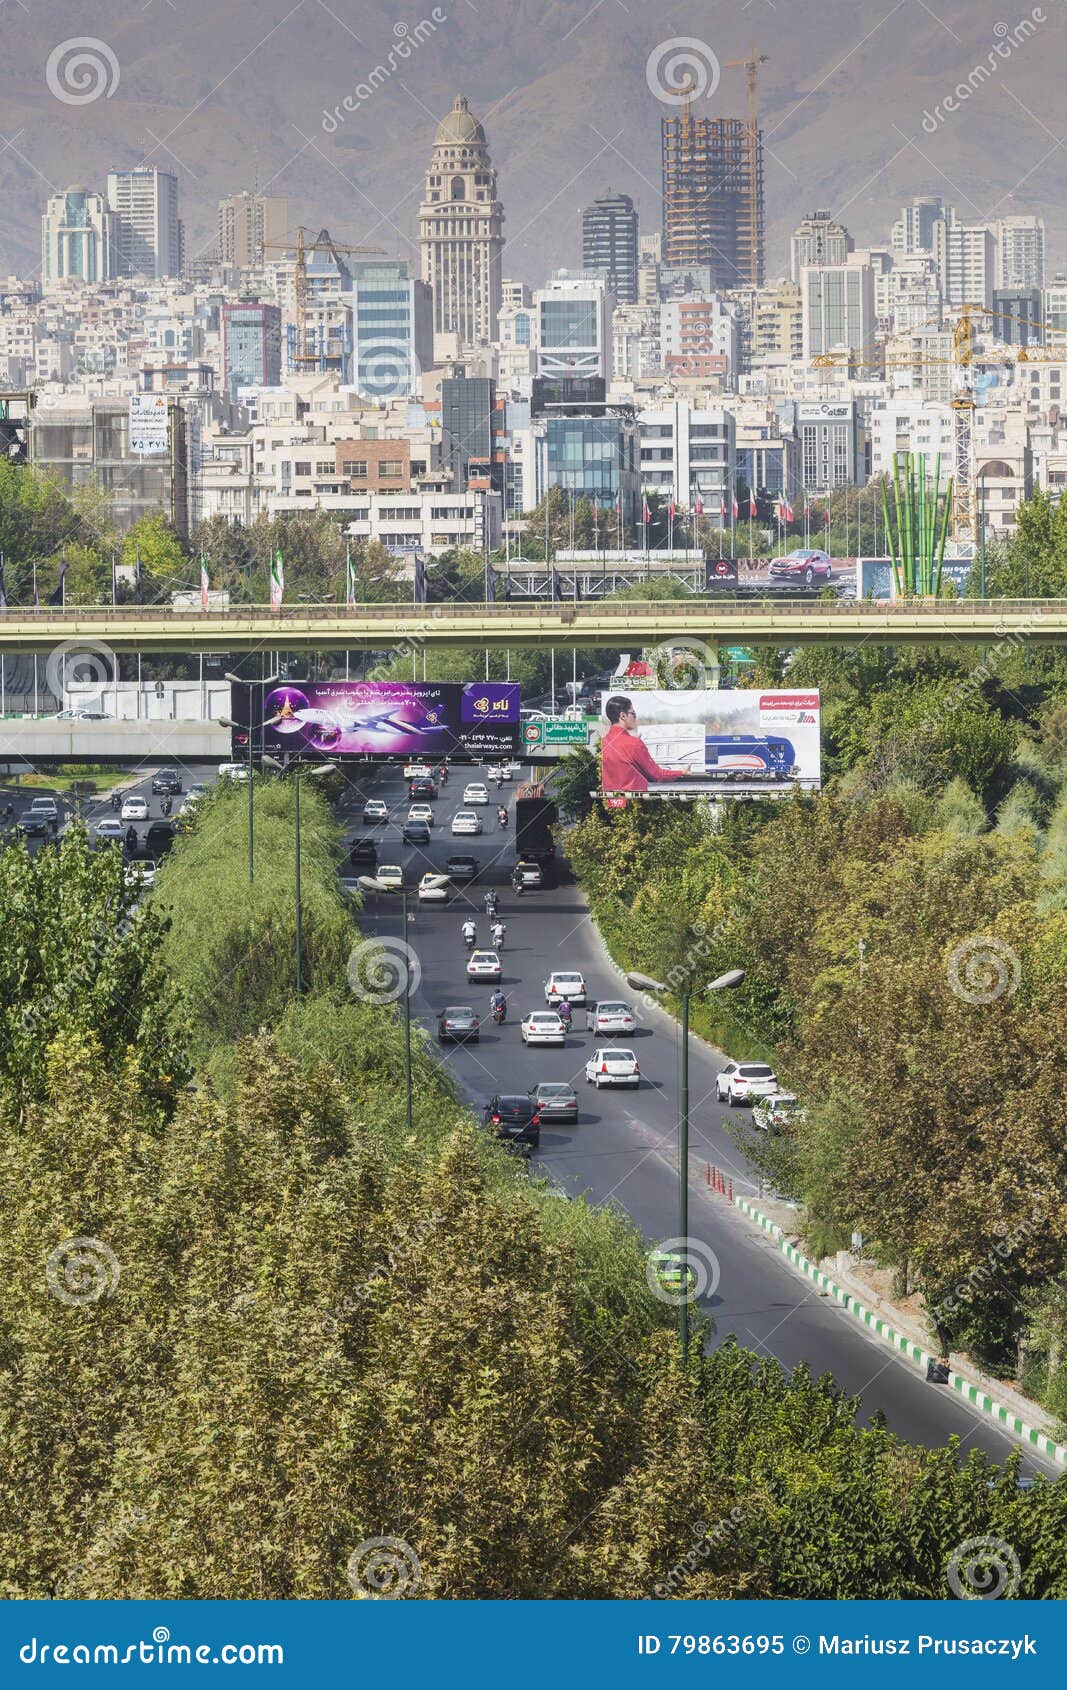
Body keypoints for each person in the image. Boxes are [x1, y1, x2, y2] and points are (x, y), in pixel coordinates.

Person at [599, 695, 691, 794]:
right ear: (623, 716)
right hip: (634, 802)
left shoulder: (603, 742)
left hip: (609, 802)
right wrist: (682, 772)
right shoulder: (634, 744)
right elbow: (658, 775)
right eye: (633, 713)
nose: (635, 717)